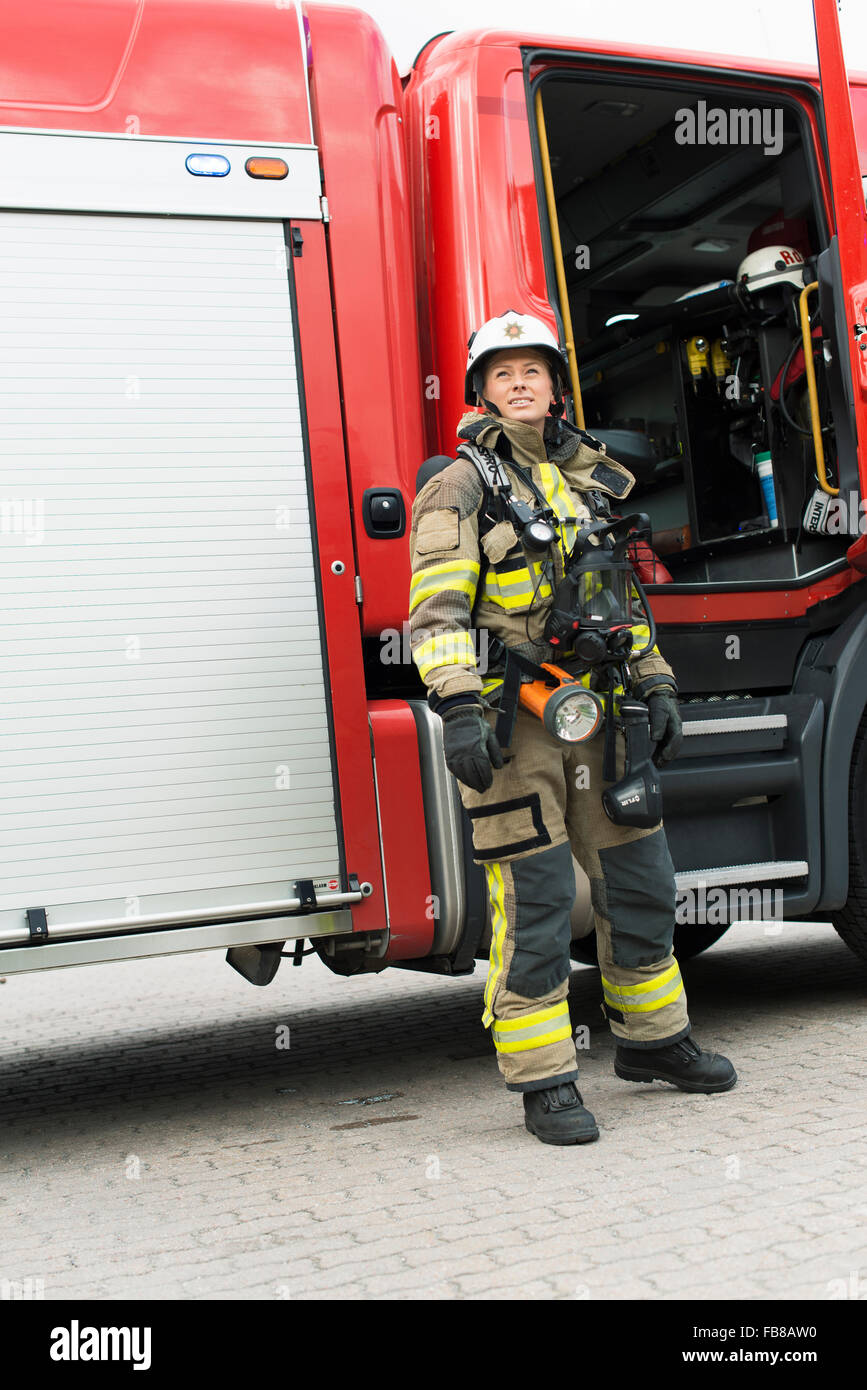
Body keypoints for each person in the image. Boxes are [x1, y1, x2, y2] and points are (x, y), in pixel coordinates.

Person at [408, 309, 736, 1146]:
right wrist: (454, 705)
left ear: (555, 389)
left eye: (534, 372)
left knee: (641, 882)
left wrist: (656, 686)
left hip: (600, 715)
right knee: (539, 898)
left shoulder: (587, 480)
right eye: (502, 373)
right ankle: (544, 1080)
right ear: (481, 390)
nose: (519, 385)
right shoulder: (459, 483)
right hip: (511, 723)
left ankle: (653, 1043)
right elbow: (436, 610)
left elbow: (624, 604)